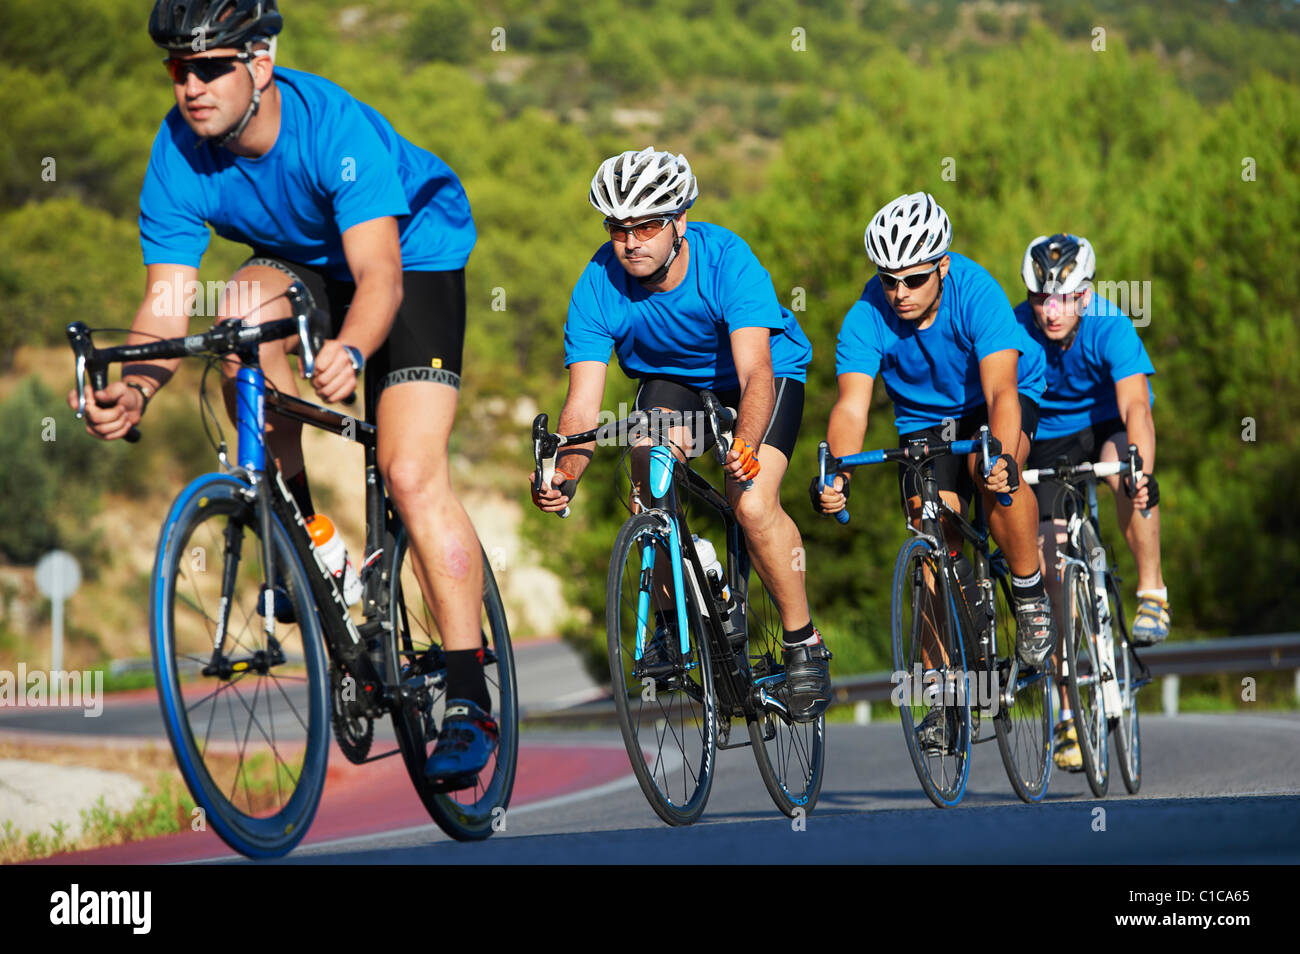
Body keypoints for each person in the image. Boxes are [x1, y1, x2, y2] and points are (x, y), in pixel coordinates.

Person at [66, 0, 496, 787]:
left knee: (408, 471)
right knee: (234, 327)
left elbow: (379, 278)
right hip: (301, 260)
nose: (190, 87)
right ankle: (312, 543)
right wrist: (134, 387)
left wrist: (352, 350)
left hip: (412, 258)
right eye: (176, 70)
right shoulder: (178, 149)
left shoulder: (332, 127)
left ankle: (470, 699)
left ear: (258, 62)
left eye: (209, 67)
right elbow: (170, 299)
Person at [531, 147, 831, 722]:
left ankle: (802, 642)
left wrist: (741, 446)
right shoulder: (597, 284)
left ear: (679, 224)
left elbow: (756, 375)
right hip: (671, 379)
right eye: (618, 228)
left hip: (761, 378)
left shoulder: (728, 262)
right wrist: (563, 474)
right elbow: (582, 407)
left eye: (646, 225)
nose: (631, 241)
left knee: (752, 501)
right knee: (647, 462)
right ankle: (672, 618)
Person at [815, 192, 1053, 751]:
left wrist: (1004, 460)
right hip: (924, 420)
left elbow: (1000, 390)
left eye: (914, 279)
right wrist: (837, 472)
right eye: (888, 279)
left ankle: (1028, 591)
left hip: (993, 400)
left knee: (994, 474)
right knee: (928, 532)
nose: (899, 293)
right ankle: (945, 702)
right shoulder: (866, 315)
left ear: (942, 266)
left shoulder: (977, 292)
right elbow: (851, 406)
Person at [1013, 232, 1167, 771]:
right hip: (1050, 436)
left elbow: (1136, 411)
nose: (1050, 311)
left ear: (1084, 294)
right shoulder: (1015, 331)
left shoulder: (1112, 326)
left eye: (1063, 298)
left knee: (1128, 475)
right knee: (1052, 569)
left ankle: (1153, 591)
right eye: (1039, 299)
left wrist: (1140, 467)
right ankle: (1066, 713)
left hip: (1105, 424)